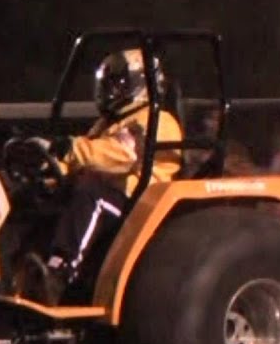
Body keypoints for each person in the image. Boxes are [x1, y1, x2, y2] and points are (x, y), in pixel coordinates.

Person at [28, 48, 183, 304]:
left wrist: (71, 148)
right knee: (45, 196)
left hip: (139, 202)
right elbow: (82, 158)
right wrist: (50, 171)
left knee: (91, 198)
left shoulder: (157, 121)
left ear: (141, 84)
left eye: (118, 84)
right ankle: (24, 271)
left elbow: (121, 155)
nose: (110, 91)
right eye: (108, 84)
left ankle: (60, 274)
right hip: (112, 191)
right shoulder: (106, 124)